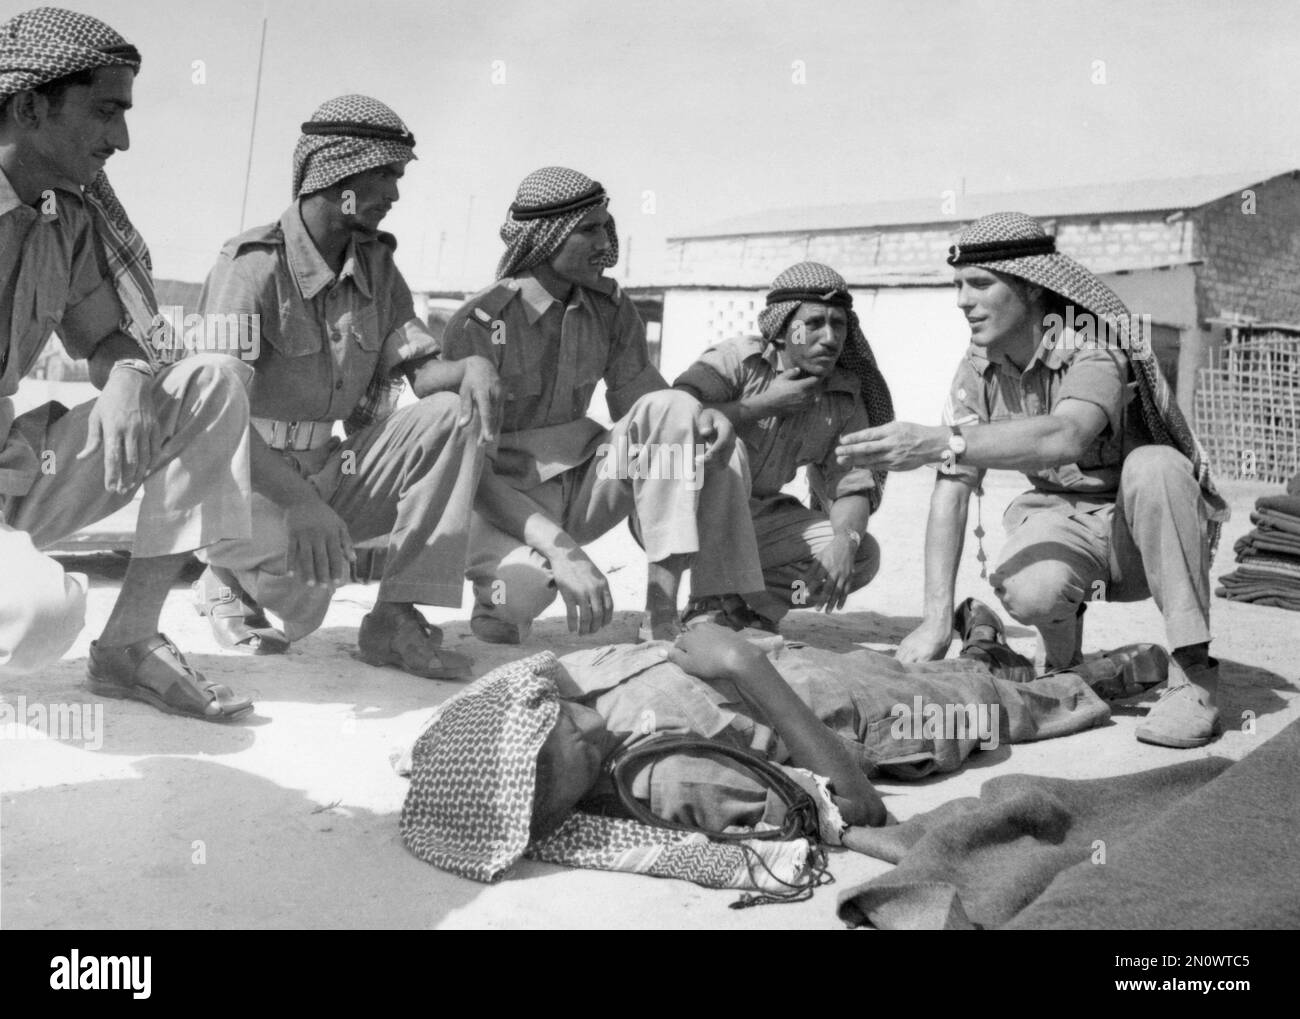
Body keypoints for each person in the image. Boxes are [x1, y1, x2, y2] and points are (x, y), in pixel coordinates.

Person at [835, 211, 1230, 749]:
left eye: (979, 284)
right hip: (1067, 523)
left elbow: (1066, 435)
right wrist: (934, 621)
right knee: (1029, 588)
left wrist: (940, 439)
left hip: (1146, 534)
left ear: (1032, 289)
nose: (962, 301)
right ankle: (1067, 663)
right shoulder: (977, 369)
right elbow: (953, 485)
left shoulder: (1092, 348)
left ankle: (1192, 674)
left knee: (1155, 464)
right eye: (957, 286)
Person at [399, 603, 1147, 884]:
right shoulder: (667, 778)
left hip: (820, 670)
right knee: (987, 708)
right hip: (864, 721)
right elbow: (857, 806)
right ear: (556, 803)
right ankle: (1094, 681)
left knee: (916, 668)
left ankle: (982, 652)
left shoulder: (560, 693)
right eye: (564, 752)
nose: (567, 718)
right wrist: (740, 664)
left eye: (548, 713)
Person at [0, 7, 254, 721]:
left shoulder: (64, 219)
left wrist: (128, 376)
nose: (123, 138)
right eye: (107, 111)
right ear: (29, 104)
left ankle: (129, 644)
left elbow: (105, 336)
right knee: (40, 614)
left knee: (212, 383)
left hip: (16, 470)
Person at [195, 96, 500, 679]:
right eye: (385, 174)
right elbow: (214, 416)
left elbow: (424, 372)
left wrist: (472, 370)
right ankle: (227, 576)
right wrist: (301, 503)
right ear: (338, 176)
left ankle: (395, 614)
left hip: (328, 468)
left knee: (450, 413)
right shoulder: (251, 266)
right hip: (240, 478)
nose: (395, 194)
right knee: (310, 584)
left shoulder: (377, 267)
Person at [440, 166, 765, 644]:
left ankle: (674, 608)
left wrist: (703, 415)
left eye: (606, 227)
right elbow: (470, 473)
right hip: (503, 499)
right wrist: (564, 552)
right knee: (519, 597)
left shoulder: (609, 308)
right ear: (545, 238)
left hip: (588, 483)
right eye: (589, 229)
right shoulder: (481, 323)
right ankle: (496, 598)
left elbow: (653, 407)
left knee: (688, 423)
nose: (605, 243)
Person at [673, 262, 893, 630]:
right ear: (782, 327)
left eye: (838, 324)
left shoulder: (843, 396)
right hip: (682, 513)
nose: (829, 337)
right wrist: (765, 404)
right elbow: (673, 417)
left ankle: (746, 606)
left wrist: (846, 540)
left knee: (862, 555)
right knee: (730, 450)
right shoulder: (737, 361)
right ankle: (703, 600)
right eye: (814, 323)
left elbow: (850, 486)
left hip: (754, 521)